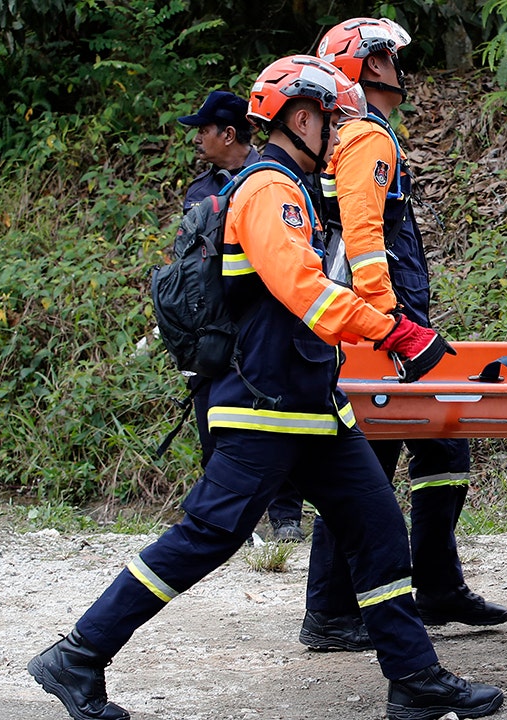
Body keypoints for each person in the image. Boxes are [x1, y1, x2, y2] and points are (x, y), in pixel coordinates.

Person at [27, 55, 503, 720]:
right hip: (264, 407)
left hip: (310, 406)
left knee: (377, 531)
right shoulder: (267, 191)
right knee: (207, 536)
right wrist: (395, 332)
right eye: (334, 123)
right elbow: (306, 294)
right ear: (301, 118)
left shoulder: (293, 189)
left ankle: (415, 679)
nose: (340, 139)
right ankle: (78, 656)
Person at [294, 18, 507, 654]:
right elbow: (363, 237)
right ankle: (331, 612)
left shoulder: (367, 135)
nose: (395, 63)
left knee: (442, 448)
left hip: (383, 318)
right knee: (368, 462)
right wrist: (394, 327)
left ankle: (436, 585)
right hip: (379, 322)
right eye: (384, 54)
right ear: (363, 67)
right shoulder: (365, 138)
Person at [177, 90, 306, 544]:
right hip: (213, 326)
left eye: (203, 130)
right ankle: (222, 524)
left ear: (228, 133)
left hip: (264, 323)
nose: (197, 139)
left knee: (276, 411)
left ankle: (286, 517)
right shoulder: (199, 191)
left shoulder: (277, 179)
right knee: (213, 418)